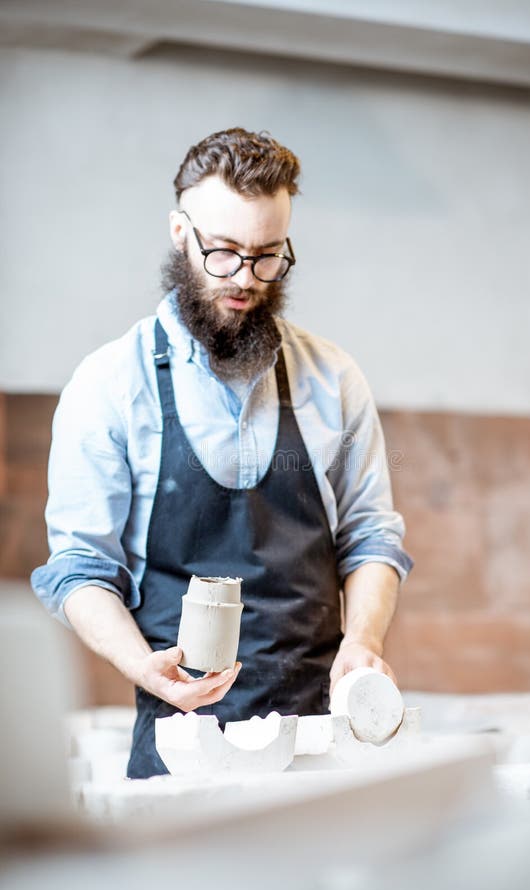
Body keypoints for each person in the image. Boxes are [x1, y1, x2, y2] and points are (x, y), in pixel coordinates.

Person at [32, 127, 413, 778]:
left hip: (319, 746)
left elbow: (371, 537)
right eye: (224, 253)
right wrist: (138, 663)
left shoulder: (332, 378)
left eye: (267, 257)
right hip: (178, 748)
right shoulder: (110, 386)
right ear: (180, 233)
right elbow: (79, 569)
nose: (245, 279)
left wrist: (362, 640)